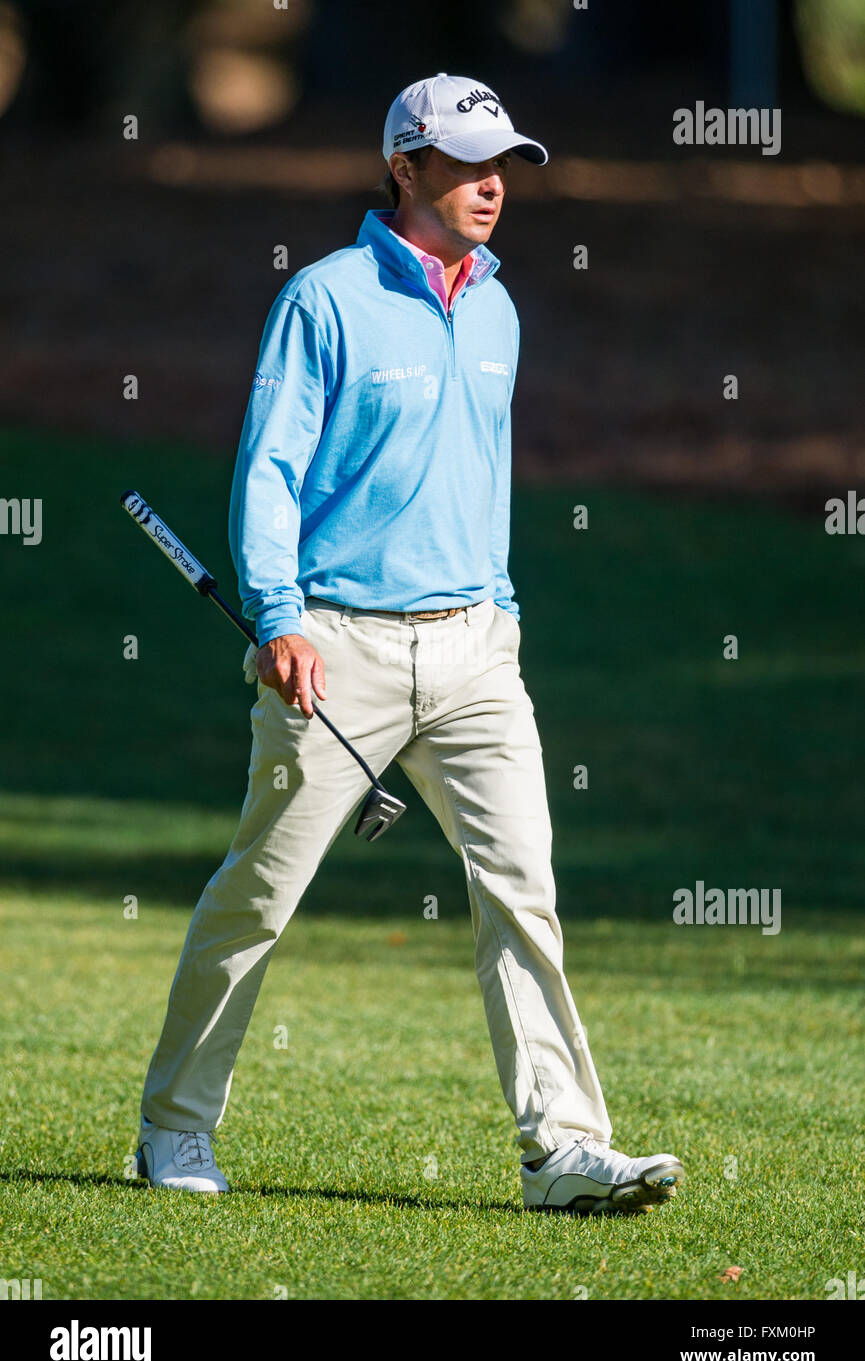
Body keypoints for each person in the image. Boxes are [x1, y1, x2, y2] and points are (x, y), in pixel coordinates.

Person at [134, 74, 685, 1215]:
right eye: (471, 164)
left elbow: (479, 480)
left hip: (478, 648)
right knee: (260, 895)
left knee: (522, 887)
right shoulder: (324, 299)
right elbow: (270, 471)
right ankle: (173, 1131)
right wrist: (278, 615)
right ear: (406, 165)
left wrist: (503, 609)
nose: (493, 186)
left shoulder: (498, 306)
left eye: (505, 166)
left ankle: (562, 1151)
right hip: (337, 647)